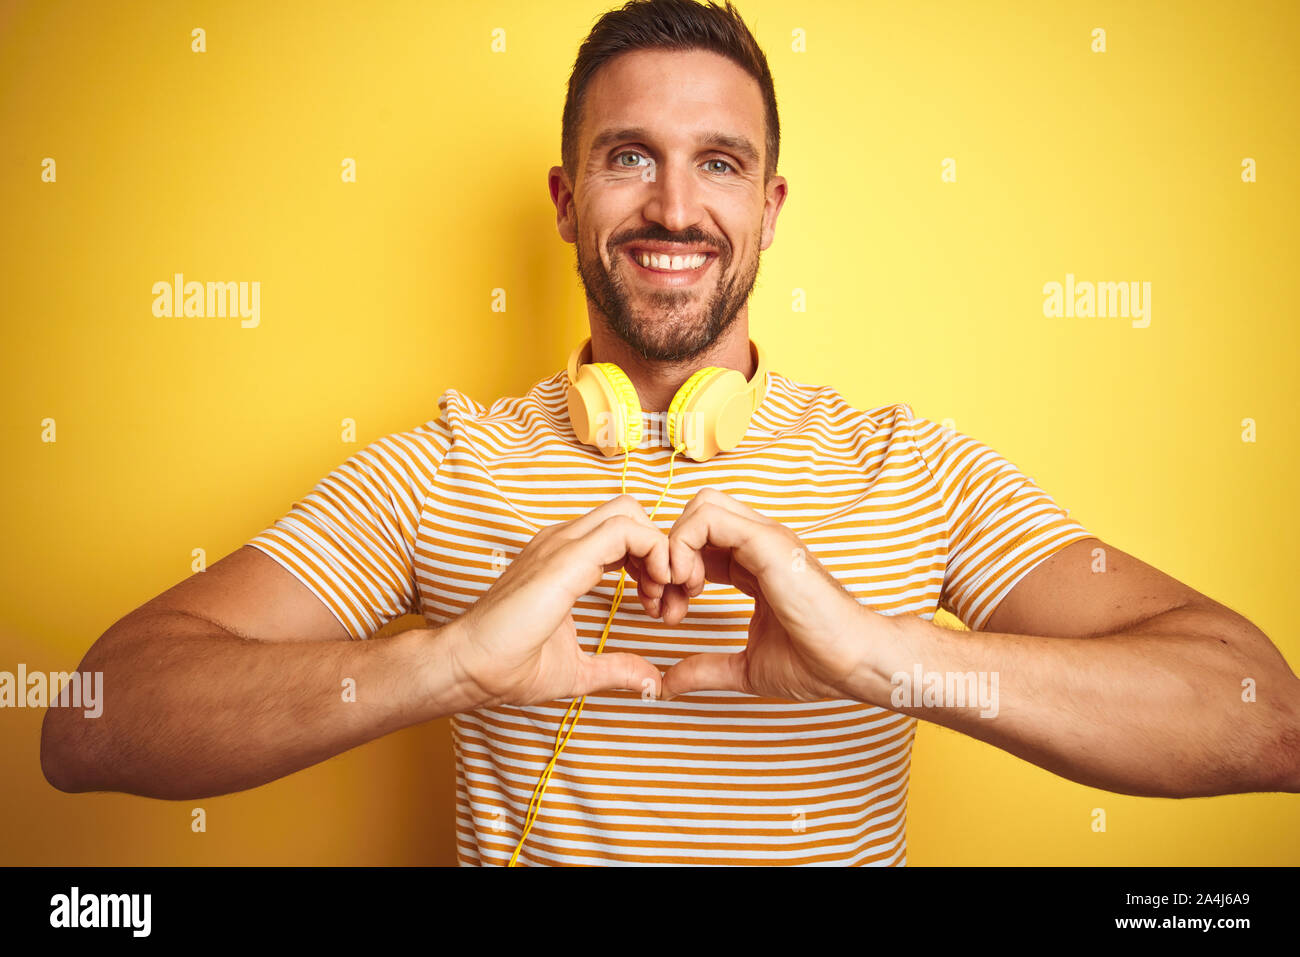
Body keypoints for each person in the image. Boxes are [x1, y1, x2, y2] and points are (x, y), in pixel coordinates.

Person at [41, 0, 1300, 866]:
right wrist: (449, 664)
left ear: (769, 205)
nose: (674, 205)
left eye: (719, 163)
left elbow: (1259, 719)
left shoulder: (916, 467)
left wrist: (882, 655)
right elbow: (90, 721)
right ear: (564, 196)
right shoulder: (437, 468)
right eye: (629, 156)